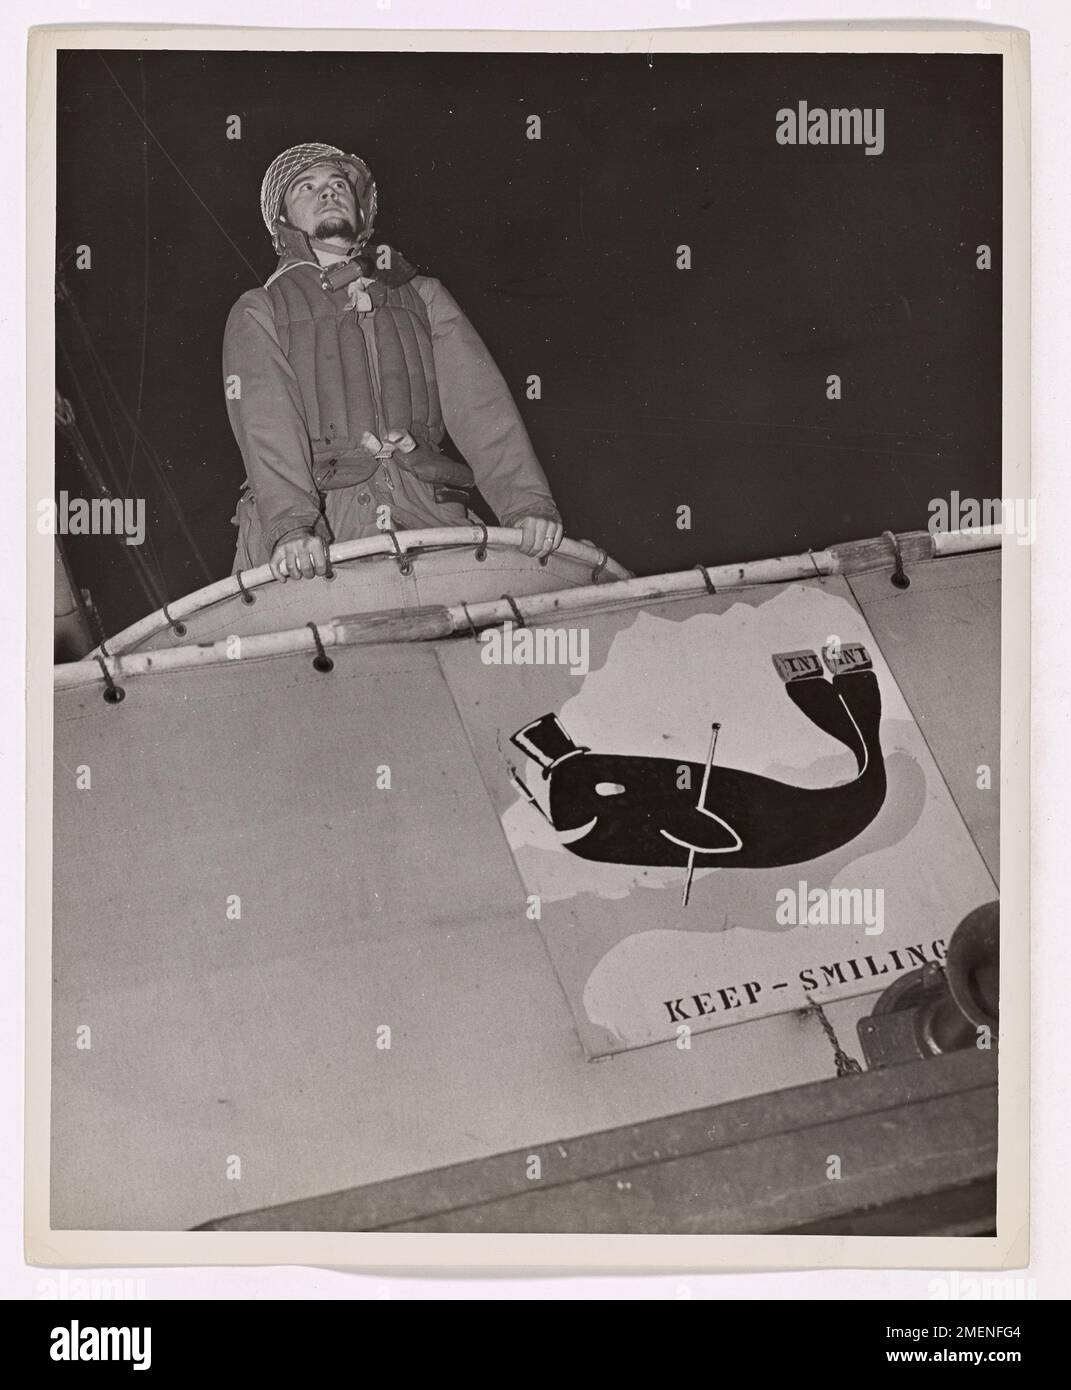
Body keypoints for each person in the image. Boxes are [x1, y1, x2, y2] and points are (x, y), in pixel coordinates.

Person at [223, 141, 565, 580]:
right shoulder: (260, 308)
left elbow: (482, 407)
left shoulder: (424, 296)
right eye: (306, 187)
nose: (327, 192)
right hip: (324, 529)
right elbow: (265, 424)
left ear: (361, 209)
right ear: (284, 221)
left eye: (338, 183)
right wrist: (292, 527)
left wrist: (527, 506)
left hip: (429, 516)